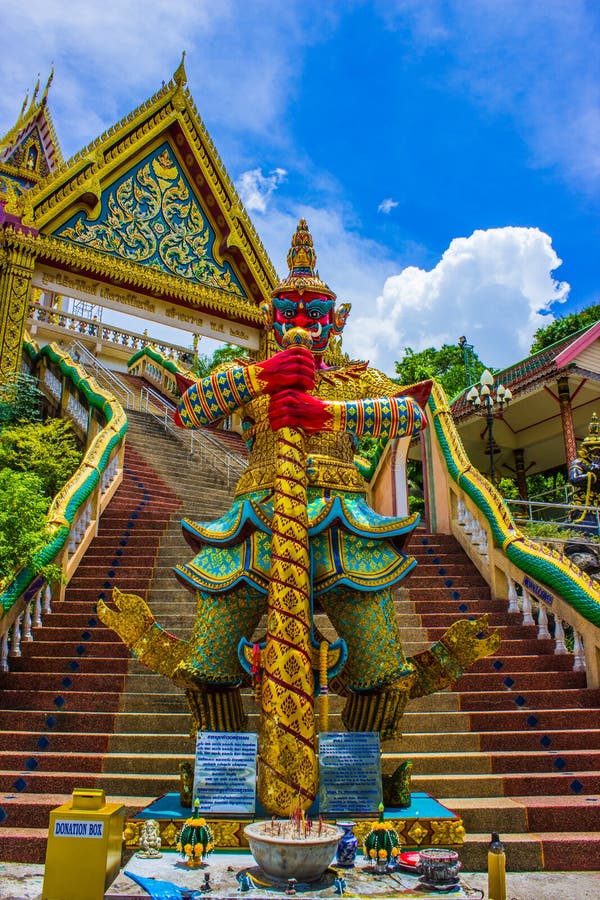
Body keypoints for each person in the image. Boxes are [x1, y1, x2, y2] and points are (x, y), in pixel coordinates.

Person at [98, 219, 498, 741]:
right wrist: (264, 376)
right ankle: (225, 766)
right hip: (255, 523)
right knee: (208, 666)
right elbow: (190, 408)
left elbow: (412, 414)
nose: (303, 324)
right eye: (289, 312)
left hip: (343, 526)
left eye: (315, 314)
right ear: (271, 317)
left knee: (382, 673)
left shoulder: (357, 380)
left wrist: (328, 413)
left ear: (336, 321)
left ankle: (358, 768)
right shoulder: (247, 377)